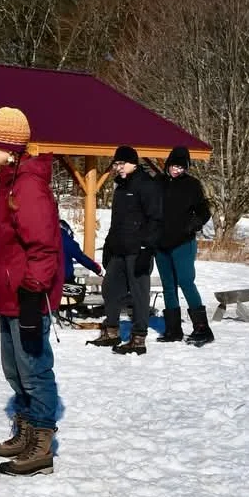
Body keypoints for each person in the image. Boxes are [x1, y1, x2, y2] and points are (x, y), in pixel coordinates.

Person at [0, 107, 63, 476]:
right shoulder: (4, 182)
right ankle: (25, 429)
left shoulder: (27, 185)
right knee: (14, 370)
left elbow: (43, 245)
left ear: (8, 147)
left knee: (34, 369)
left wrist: (32, 290)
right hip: (8, 296)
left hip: (28, 295)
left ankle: (41, 444)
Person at [88, 146, 163, 355]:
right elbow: (117, 222)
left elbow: (155, 220)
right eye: (116, 164)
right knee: (110, 289)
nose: (118, 168)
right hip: (119, 249)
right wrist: (109, 246)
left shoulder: (147, 186)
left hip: (138, 251)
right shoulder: (121, 187)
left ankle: (138, 338)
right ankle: (111, 331)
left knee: (139, 295)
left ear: (134, 163)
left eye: (122, 164)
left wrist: (147, 249)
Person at [155, 146, 213, 346]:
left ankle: (202, 329)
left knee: (186, 282)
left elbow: (204, 211)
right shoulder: (158, 182)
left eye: (181, 167)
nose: (176, 170)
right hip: (161, 244)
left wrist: (194, 224)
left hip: (183, 242)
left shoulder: (192, 185)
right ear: (168, 164)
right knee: (168, 286)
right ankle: (173, 329)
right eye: (174, 166)